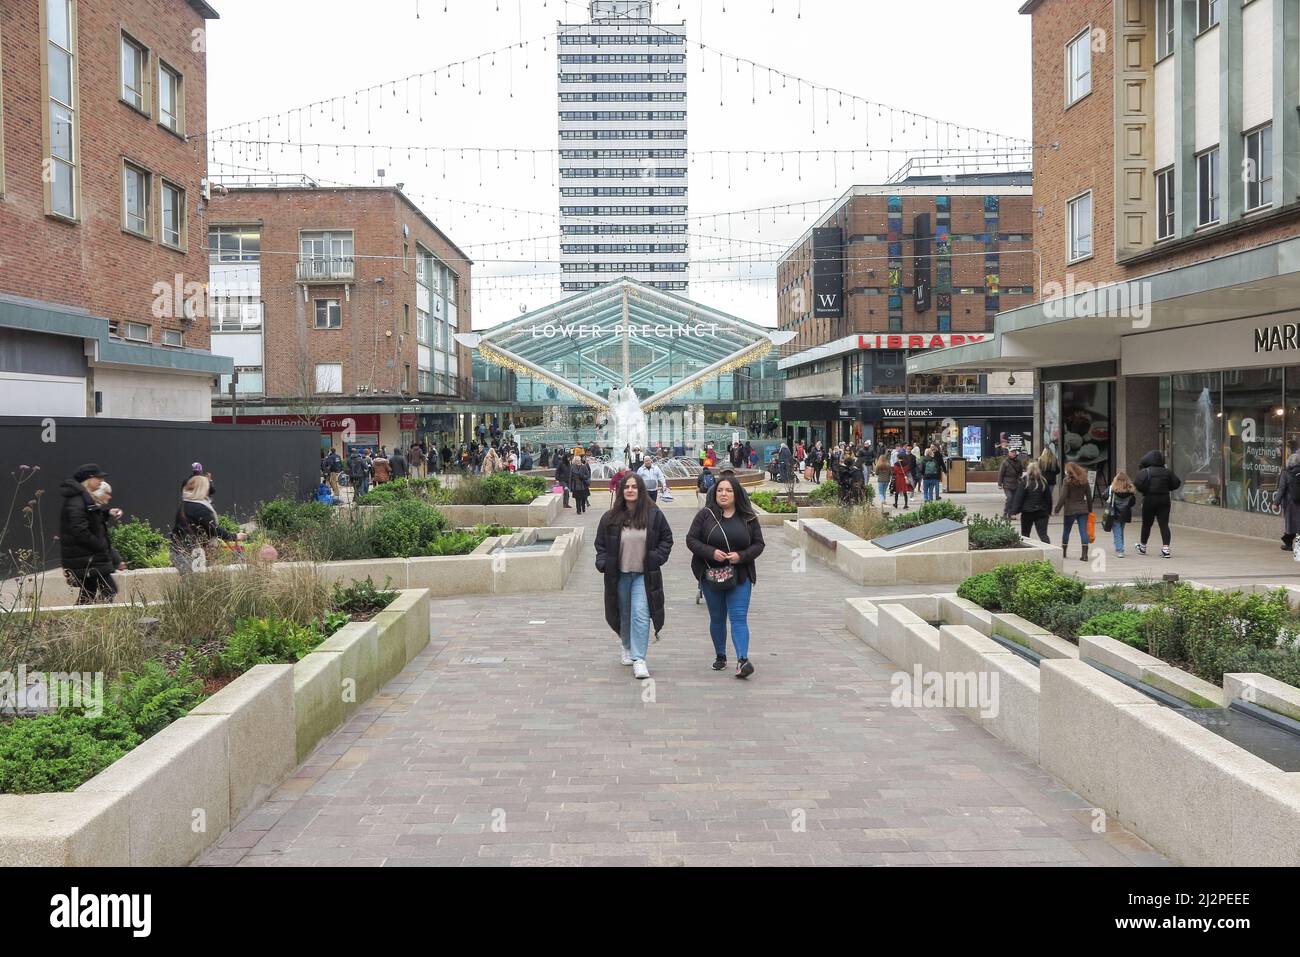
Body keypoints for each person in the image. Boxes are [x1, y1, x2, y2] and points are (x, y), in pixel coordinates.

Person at [594, 473, 673, 680]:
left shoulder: (653, 515)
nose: (630, 490)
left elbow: (667, 539)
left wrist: (656, 557)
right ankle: (626, 646)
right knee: (624, 613)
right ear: (621, 491)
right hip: (618, 574)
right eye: (627, 487)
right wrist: (602, 562)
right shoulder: (609, 518)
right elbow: (600, 544)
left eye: (634, 487)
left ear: (640, 490)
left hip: (643, 575)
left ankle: (639, 659)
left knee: (640, 613)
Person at [687, 474, 767, 679]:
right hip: (711, 574)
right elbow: (691, 540)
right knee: (717, 617)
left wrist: (741, 556)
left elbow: (759, 544)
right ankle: (720, 655)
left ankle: (743, 660)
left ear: (736, 493)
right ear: (715, 493)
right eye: (720, 490)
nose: (724, 494)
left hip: (740, 575)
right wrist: (711, 552)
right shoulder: (705, 515)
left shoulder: (748, 517)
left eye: (729, 490)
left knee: (739, 617)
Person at [170, 475, 245, 575]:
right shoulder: (200, 508)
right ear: (203, 489)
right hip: (191, 552)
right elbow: (213, 529)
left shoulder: (184, 504)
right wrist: (234, 536)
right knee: (195, 584)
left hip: (177, 551)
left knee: (189, 583)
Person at [77, 477, 126, 604]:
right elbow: (99, 540)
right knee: (109, 590)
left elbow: (102, 538)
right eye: (107, 493)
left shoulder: (94, 510)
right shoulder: (89, 509)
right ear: (98, 493)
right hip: (93, 561)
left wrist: (108, 513)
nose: (109, 497)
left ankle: (78, 618)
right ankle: (101, 616)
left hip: (91, 561)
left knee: (88, 594)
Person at [1134, 450, 1182, 559]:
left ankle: (1143, 546)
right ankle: (1166, 549)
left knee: (1146, 524)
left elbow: (1137, 483)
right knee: (1164, 524)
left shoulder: (1145, 472)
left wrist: (1145, 490)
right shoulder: (1167, 472)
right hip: (1164, 499)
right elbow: (1177, 483)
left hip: (1149, 499)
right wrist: (1167, 488)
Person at [1054, 462, 1094, 561]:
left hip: (1070, 510)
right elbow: (1089, 496)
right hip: (1083, 509)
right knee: (1083, 531)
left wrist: (1057, 508)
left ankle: (1064, 552)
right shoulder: (1084, 480)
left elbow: (1063, 496)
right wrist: (1090, 509)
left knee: (1066, 530)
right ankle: (1084, 555)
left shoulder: (1067, 481)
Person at [1009, 462, 1052, 543]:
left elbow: (1019, 498)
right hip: (1042, 512)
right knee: (1043, 534)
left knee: (1025, 534)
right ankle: (1048, 552)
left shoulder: (1025, 481)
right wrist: (1049, 511)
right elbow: (1048, 498)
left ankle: (1026, 552)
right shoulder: (1043, 481)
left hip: (1027, 512)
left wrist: (1014, 511)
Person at [1106, 472, 1138, 559]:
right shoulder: (1130, 491)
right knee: (1121, 531)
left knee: (1117, 532)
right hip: (1125, 514)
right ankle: (1120, 546)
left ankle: (1120, 550)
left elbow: (1104, 496)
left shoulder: (1112, 489)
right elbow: (1132, 503)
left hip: (1114, 513)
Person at [1274, 452, 1300, 554]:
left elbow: (1281, 489)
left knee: (1291, 525)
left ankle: (1288, 545)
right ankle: (1296, 548)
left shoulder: (1286, 473)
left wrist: (1276, 503)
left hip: (1290, 504)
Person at [999, 449, 1025, 519]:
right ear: (1009, 453)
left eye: (1014, 452)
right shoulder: (1005, 462)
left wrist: (1019, 477)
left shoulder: (1018, 462)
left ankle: (1009, 515)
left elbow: (1020, 472)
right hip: (1007, 483)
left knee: (1013, 500)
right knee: (1009, 498)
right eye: (1012, 452)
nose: (1013, 453)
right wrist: (999, 483)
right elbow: (1001, 473)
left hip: (1015, 483)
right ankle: (1005, 514)